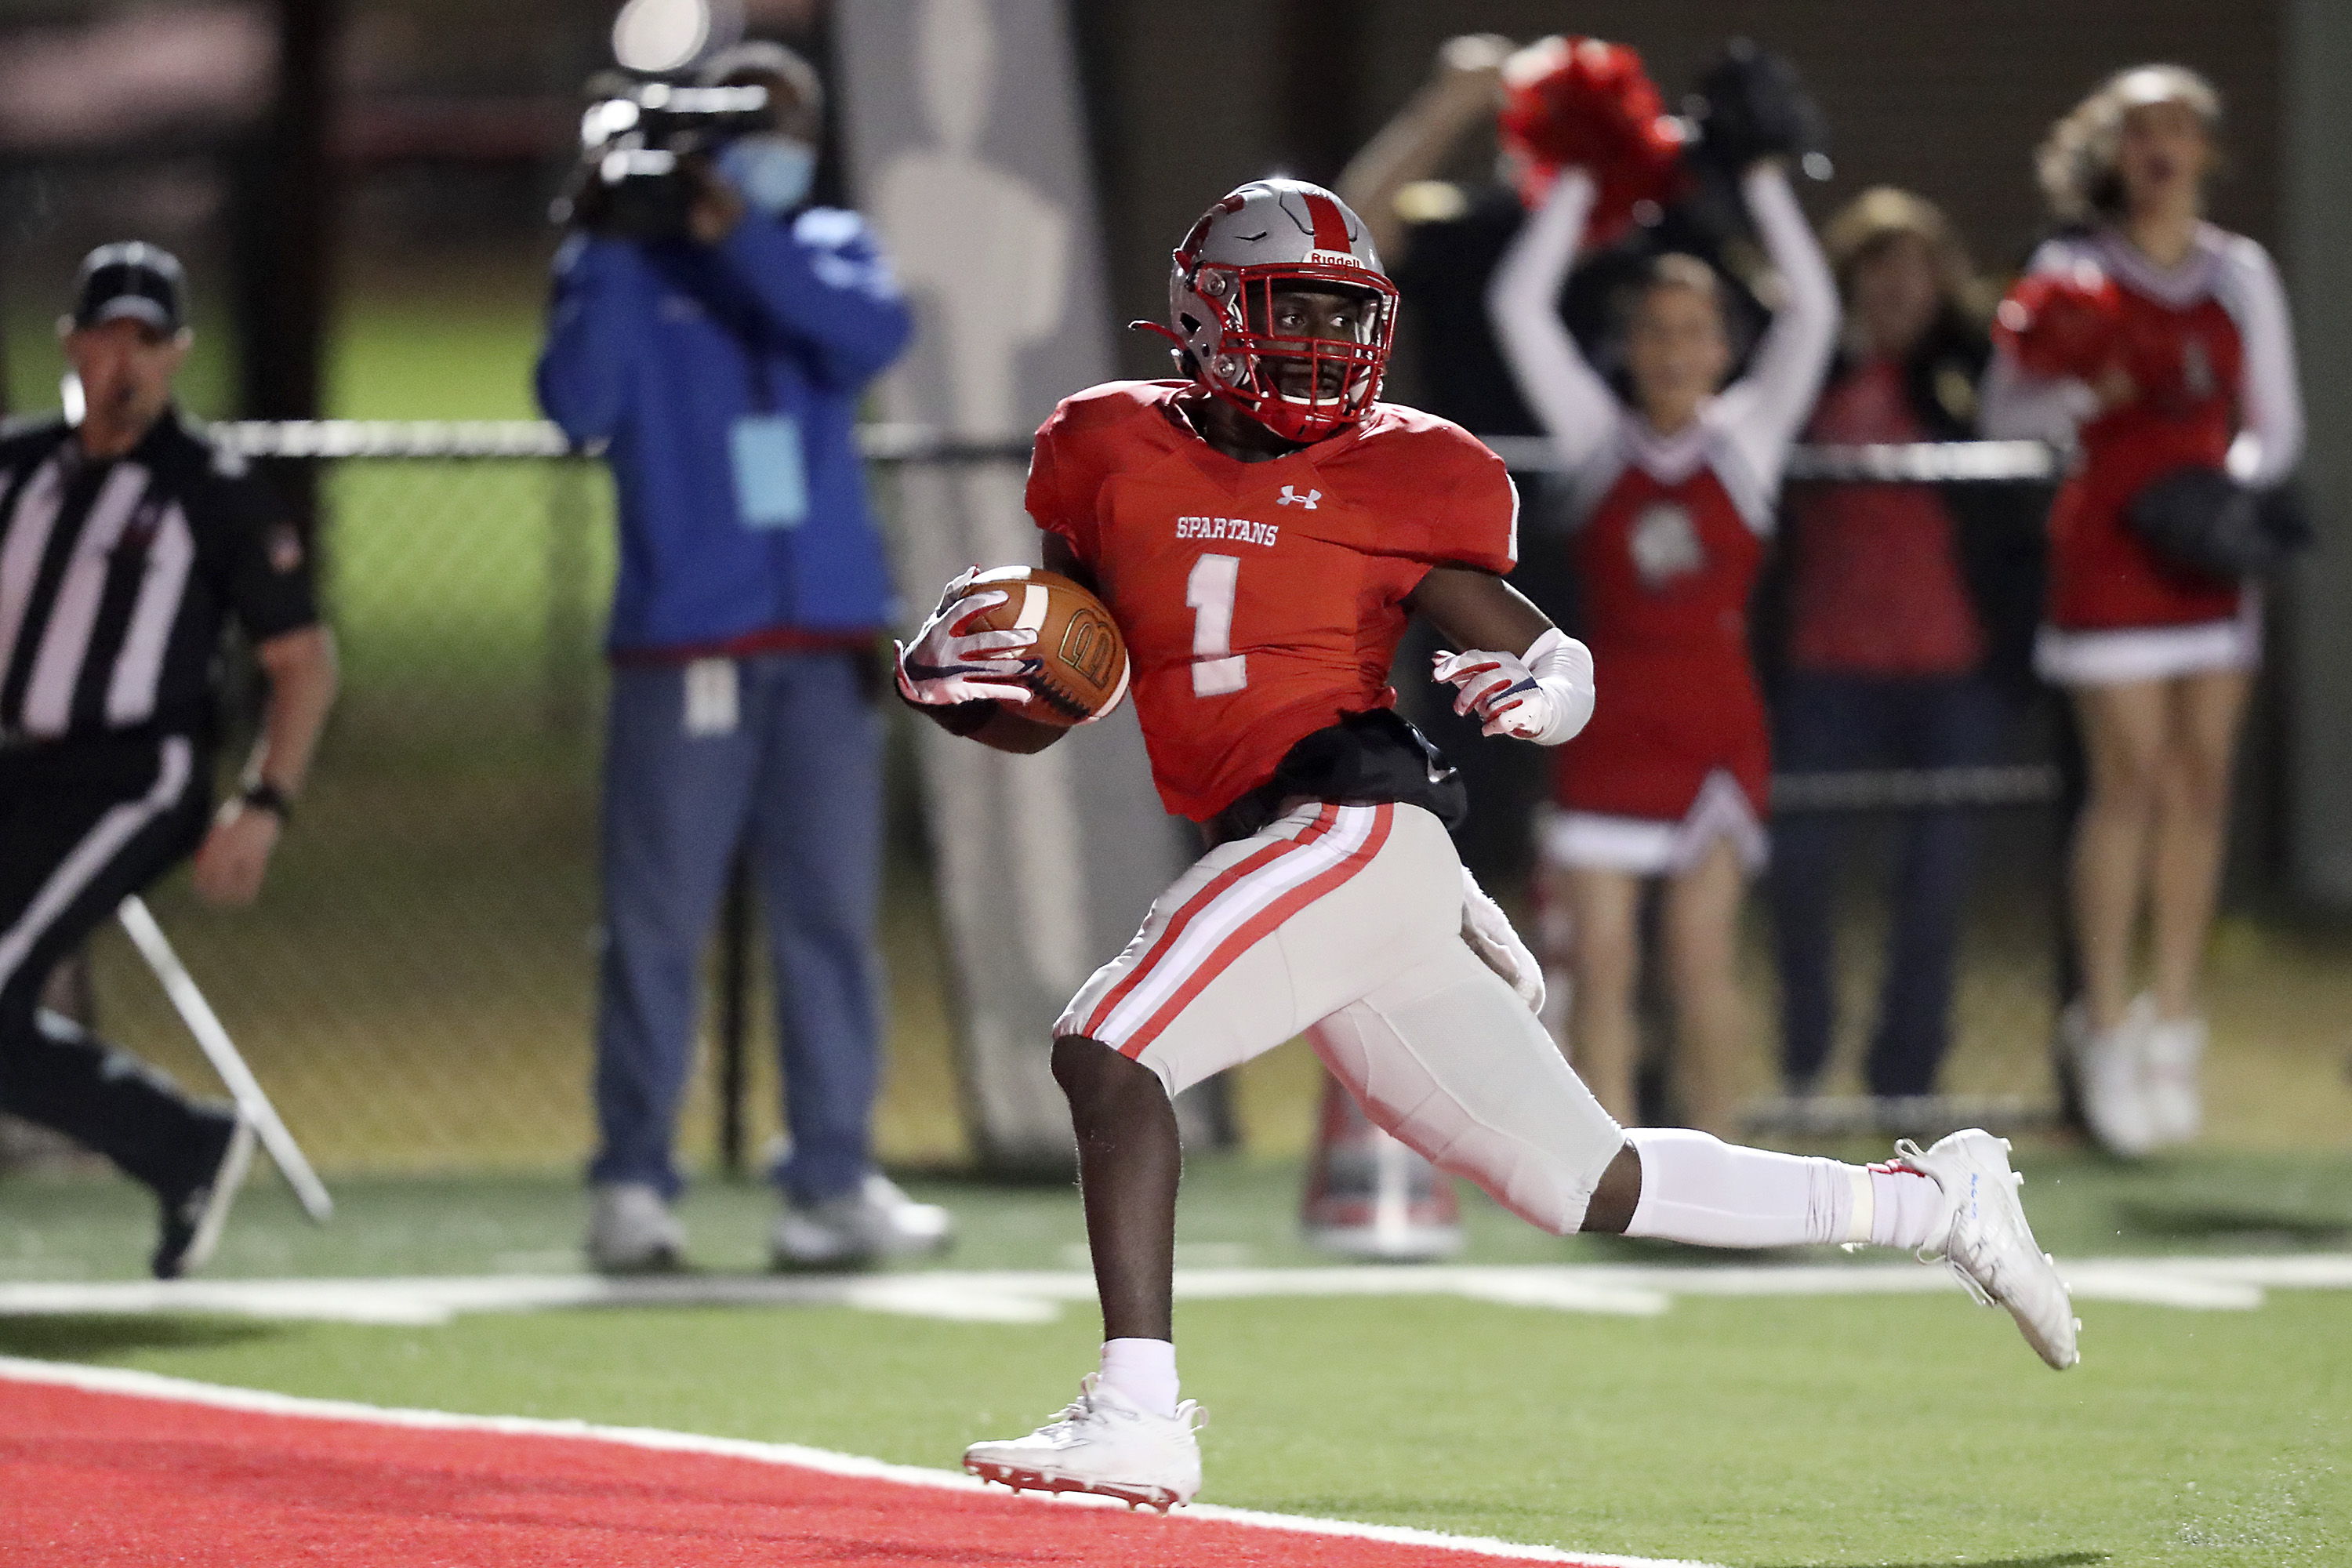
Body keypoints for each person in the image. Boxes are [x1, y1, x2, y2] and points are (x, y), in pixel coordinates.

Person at [896, 178, 2075, 1512]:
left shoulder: (1402, 469)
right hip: (1319, 859)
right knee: (1589, 1180)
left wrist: (1556, 685)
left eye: (1351, 316)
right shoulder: (1104, 448)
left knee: (1111, 1048)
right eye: (1299, 311)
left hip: (1346, 822)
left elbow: (1532, 635)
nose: (1329, 345)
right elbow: (1077, 669)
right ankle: (1934, 1203)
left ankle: (1138, 1412)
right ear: (1210, 314)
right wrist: (983, 686)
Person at [536, 41, 948, 1270]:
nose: (772, 146)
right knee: (656, 926)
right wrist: (613, 237)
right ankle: (632, 1186)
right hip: (689, 649)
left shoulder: (818, 249)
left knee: (829, 925)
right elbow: (575, 403)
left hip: (819, 649)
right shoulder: (624, 262)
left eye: (787, 125)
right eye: (746, 126)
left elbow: (867, 336)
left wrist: (736, 240)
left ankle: (831, 1179)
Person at [0, 242, 337, 1276]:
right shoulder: (18, 469)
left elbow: (303, 660)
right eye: (108, 338)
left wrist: (265, 800)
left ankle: (177, 1141)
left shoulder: (210, 490)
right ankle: (182, 1142)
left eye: (148, 342)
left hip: (133, 774)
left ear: (178, 354)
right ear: (73, 345)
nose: (125, 364)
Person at [1981, 66, 2301, 1156]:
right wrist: (2089, 393)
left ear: (2208, 149)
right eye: (2139, 131)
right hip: (2112, 547)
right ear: (2111, 153)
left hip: (2202, 552)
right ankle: (2104, 1024)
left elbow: (2274, 423)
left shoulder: (2239, 270)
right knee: (2129, 783)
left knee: (2201, 782)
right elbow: (2005, 400)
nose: (2161, 148)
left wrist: (2226, 497)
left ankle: (2176, 1018)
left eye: (2179, 128)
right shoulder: (2073, 268)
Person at [1486, 153, 1837, 1137]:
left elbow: (1811, 311)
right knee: (1600, 966)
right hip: (1606, 728)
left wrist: (1759, 176)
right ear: (1627, 347)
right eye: (1654, 331)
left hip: (1714, 729)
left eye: (1694, 332)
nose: (1675, 350)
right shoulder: (1598, 437)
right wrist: (1574, 170)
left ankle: (1717, 1161)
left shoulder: (1748, 441)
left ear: (1724, 348)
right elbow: (1519, 302)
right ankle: (1612, 1173)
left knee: (1699, 959)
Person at [1766, 189, 2042, 1102]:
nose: (1898, 286)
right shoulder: (1806, 376)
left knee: (1934, 883)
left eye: (1917, 266)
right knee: (1797, 869)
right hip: (1826, 661)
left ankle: (1905, 1075)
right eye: (1878, 265)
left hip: (1950, 666)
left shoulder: (1975, 377)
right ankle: (1806, 1054)